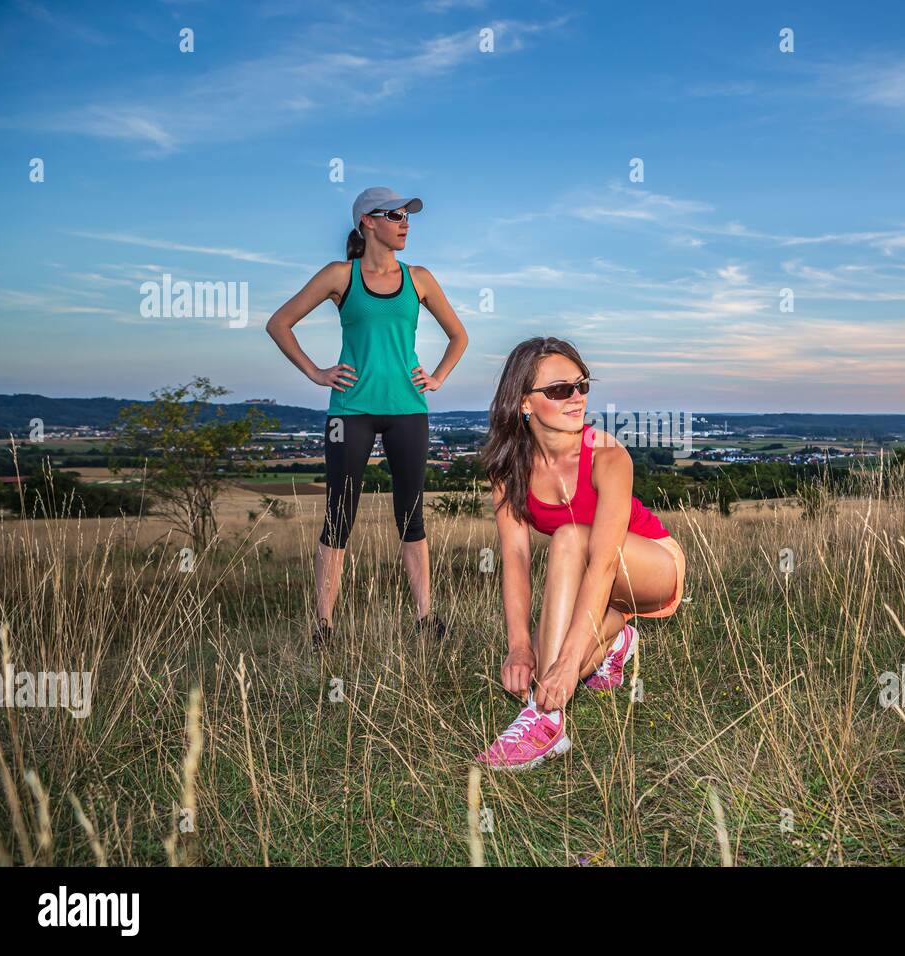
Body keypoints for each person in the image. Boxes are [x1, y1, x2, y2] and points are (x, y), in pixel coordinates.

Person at [265, 186, 468, 645]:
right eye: (396, 215)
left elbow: (459, 336)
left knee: (411, 516)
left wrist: (436, 378)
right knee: (339, 515)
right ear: (368, 222)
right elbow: (279, 323)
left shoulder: (420, 279)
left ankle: (425, 620)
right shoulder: (341, 275)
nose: (405, 222)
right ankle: (323, 625)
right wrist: (317, 372)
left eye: (408, 215)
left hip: (408, 411)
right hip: (349, 412)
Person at [475, 337, 686, 770]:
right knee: (542, 666)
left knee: (569, 539)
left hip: (650, 566)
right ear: (523, 403)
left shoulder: (607, 455)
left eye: (581, 385)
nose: (577, 398)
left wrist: (567, 663)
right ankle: (615, 640)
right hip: (596, 582)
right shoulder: (507, 467)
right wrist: (519, 647)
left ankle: (545, 720)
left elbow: (605, 560)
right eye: (559, 390)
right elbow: (514, 556)